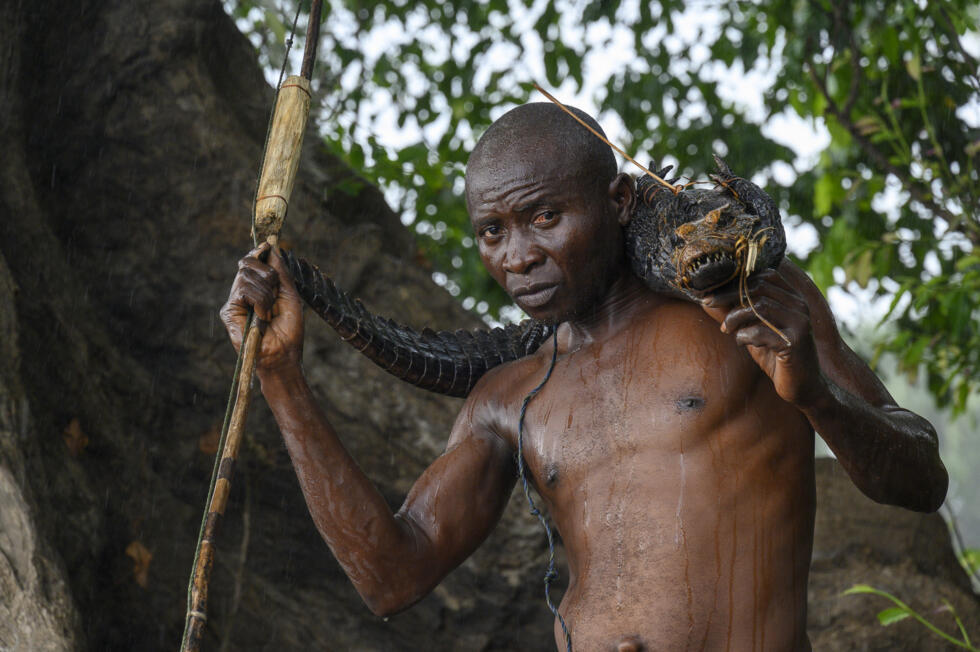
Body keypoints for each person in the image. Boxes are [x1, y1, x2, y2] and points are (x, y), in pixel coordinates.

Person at [221, 103, 948, 651]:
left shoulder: (747, 307)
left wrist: (817, 396)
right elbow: (391, 576)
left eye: (544, 217)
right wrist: (281, 375)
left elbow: (922, 480)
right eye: (493, 232)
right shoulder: (506, 397)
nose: (518, 256)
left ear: (619, 200)